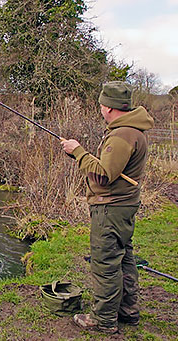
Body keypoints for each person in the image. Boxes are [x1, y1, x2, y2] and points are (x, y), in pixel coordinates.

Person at [61, 81, 154, 334]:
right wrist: (79, 155)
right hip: (124, 206)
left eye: (102, 105)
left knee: (105, 263)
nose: (100, 110)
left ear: (109, 107)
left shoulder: (123, 134)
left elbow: (104, 175)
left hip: (111, 209)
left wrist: (78, 151)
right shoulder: (134, 130)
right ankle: (128, 311)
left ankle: (103, 321)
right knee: (123, 259)